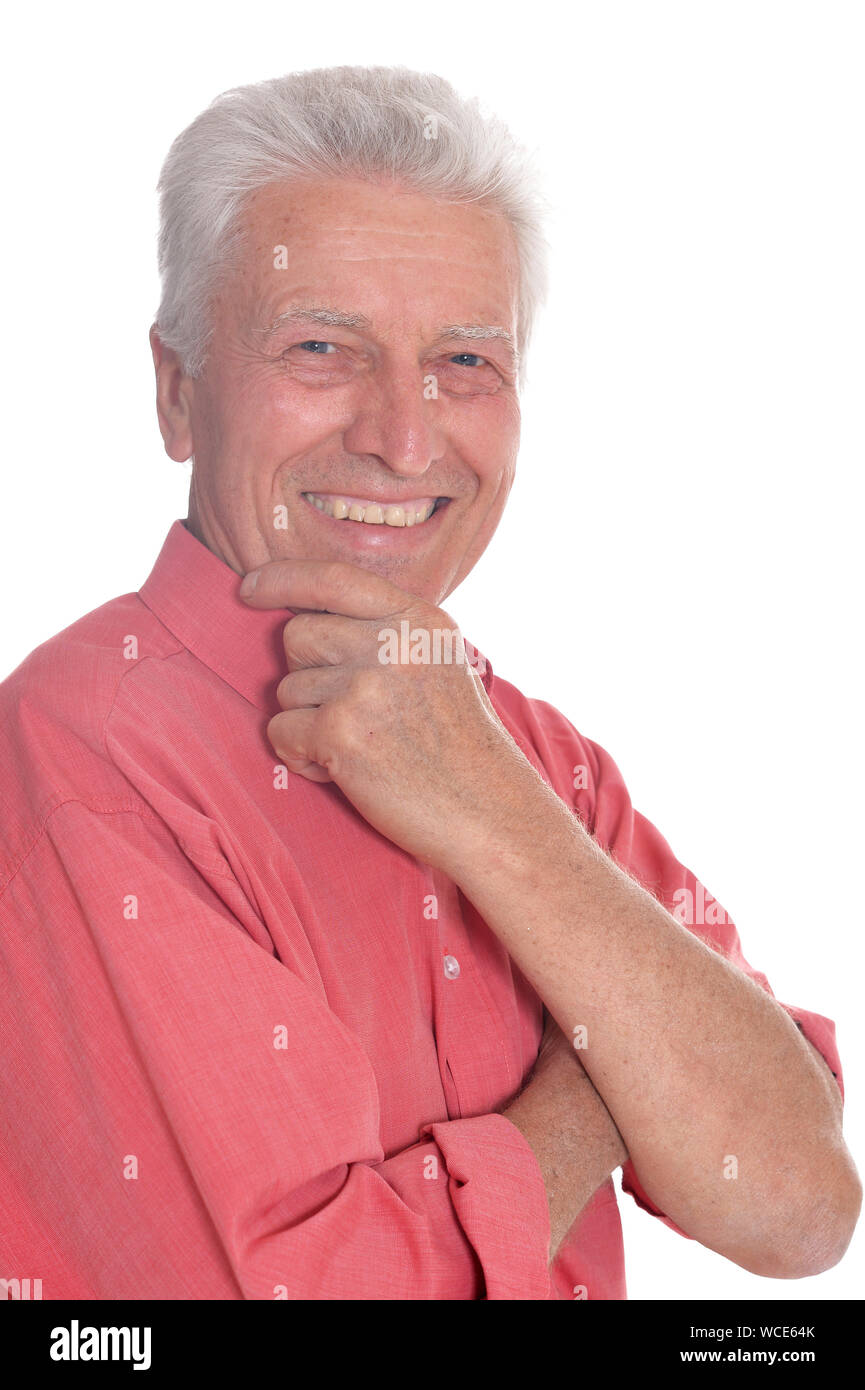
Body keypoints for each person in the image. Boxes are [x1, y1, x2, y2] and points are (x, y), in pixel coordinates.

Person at [0, 65, 858, 1301]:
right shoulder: (81, 763)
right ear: (177, 391)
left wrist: (498, 817)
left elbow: (796, 1205)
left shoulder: (530, 756)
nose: (406, 437)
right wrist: (602, 1077)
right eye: (318, 347)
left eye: (464, 358)